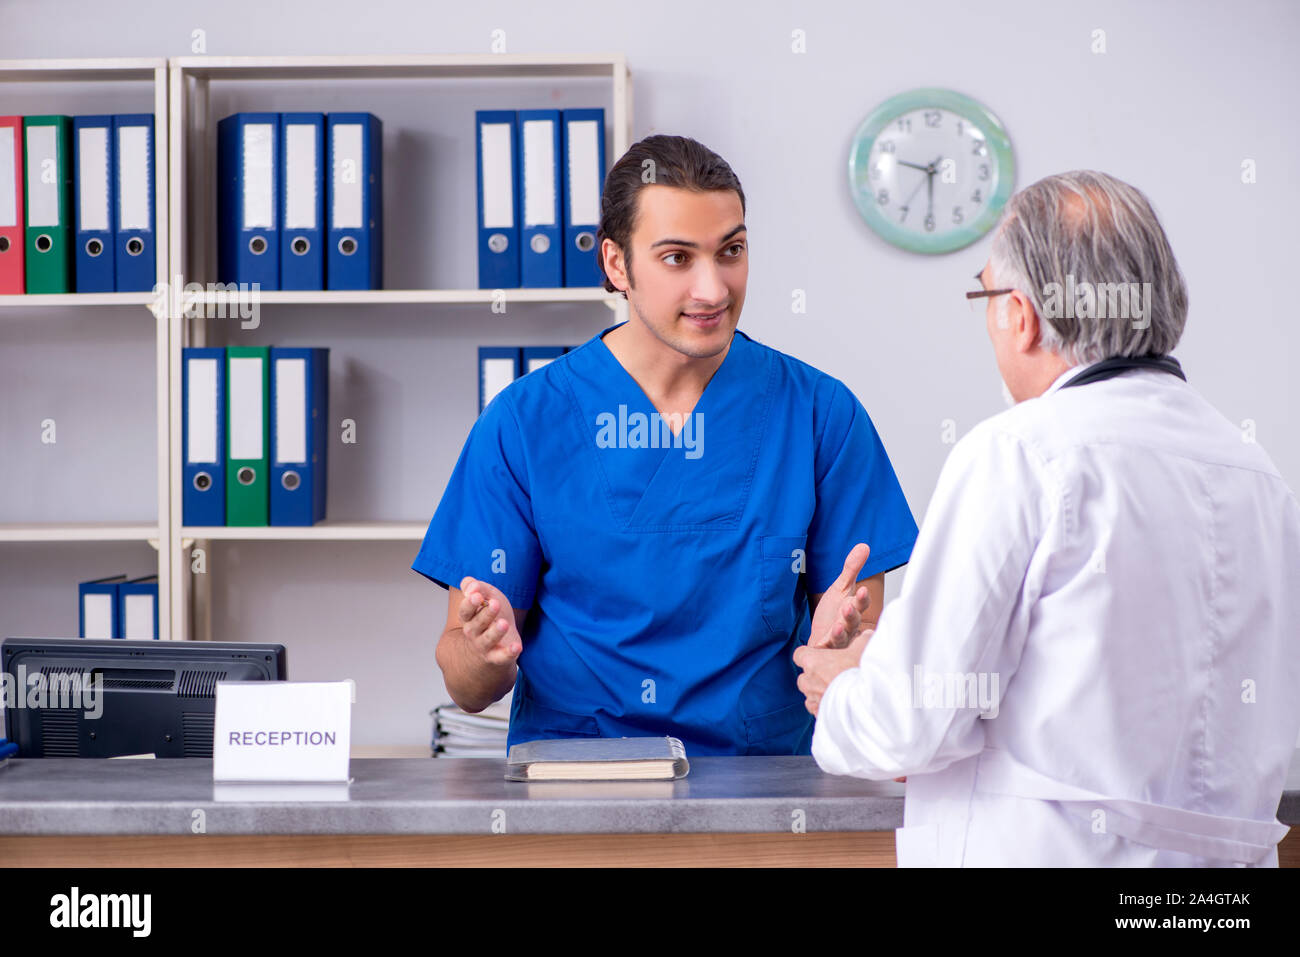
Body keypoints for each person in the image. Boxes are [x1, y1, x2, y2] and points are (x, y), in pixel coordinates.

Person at [796, 170, 1300, 866]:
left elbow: (908, 726)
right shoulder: (1256, 472)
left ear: (1022, 314)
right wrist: (891, 656)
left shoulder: (1020, 452)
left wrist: (842, 683)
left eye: (985, 295)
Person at [413, 135, 918, 755]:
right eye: (678, 258)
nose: (713, 289)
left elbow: (859, 644)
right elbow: (466, 686)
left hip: (766, 792)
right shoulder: (524, 424)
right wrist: (485, 654)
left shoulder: (819, 414)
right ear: (617, 265)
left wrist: (848, 653)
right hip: (577, 786)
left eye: (730, 251)